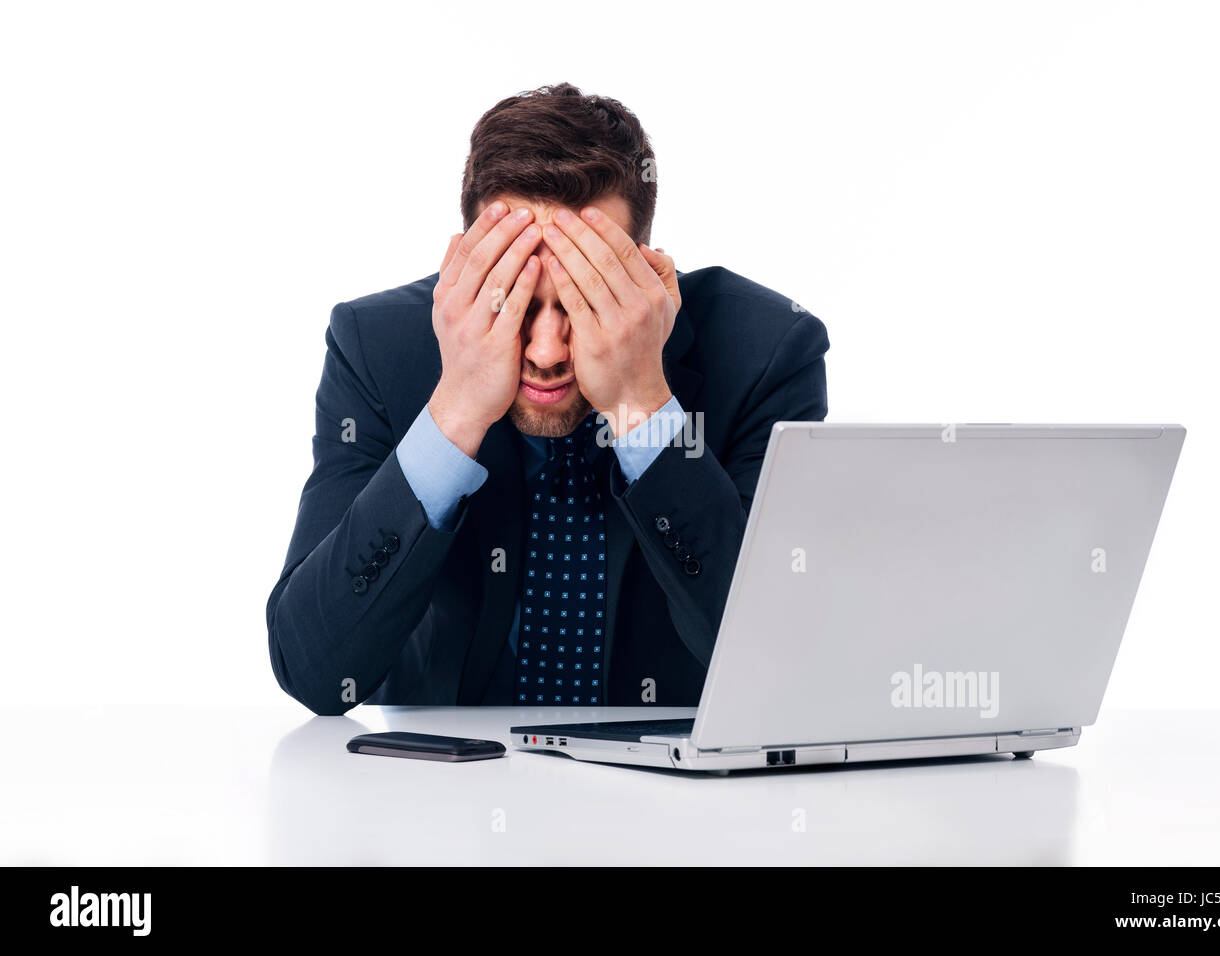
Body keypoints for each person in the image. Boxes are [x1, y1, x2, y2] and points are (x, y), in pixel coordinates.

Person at [267, 83, 829, 714]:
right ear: (465, 269)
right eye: (513, 297)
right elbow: (313, 670)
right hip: (440, 795)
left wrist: (641, 406)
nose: (545, 350)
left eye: (585, 297)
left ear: (645, 272)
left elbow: (781, 667)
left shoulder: (768, 352)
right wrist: (454, 410)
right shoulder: (377, 347)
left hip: (675, 801)